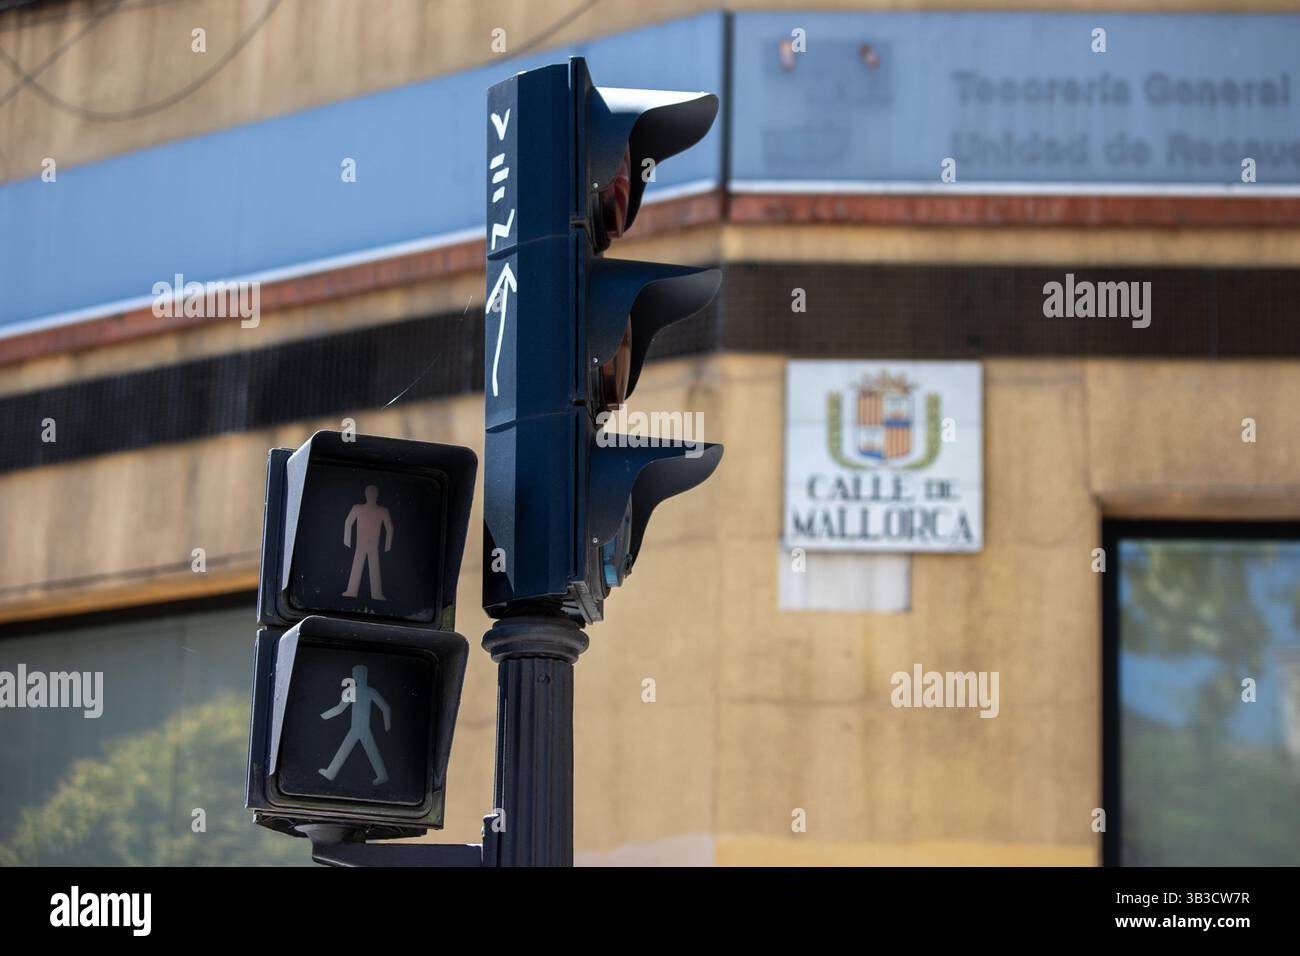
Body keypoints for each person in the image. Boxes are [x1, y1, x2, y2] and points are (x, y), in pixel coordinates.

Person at [318, 664, 391, 786]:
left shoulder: (363, 691)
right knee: (355, 750)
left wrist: (387, 726)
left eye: (359, 675)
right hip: (357, 728)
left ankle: (331, 772)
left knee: (366, 751)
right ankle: (331, 772)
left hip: (361, 728)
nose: (358, 678)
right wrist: (324, 716)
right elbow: (340, 708)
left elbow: (385, 708)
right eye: (356, 675)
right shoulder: (356, 691)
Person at [342, 485, 393, 600]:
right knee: (358, 566)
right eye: (370, 494)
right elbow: (348, 522)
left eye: (373, 494)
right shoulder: (358, 508)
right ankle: (352, 591)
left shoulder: (382, 511)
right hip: (362, 544)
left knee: (373, 567)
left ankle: (376, 594)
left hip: (372, 545)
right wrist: (347, 540)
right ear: (366, 495)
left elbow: (389, 528)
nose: (371, 496)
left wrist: (387, 545)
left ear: (376, 495)